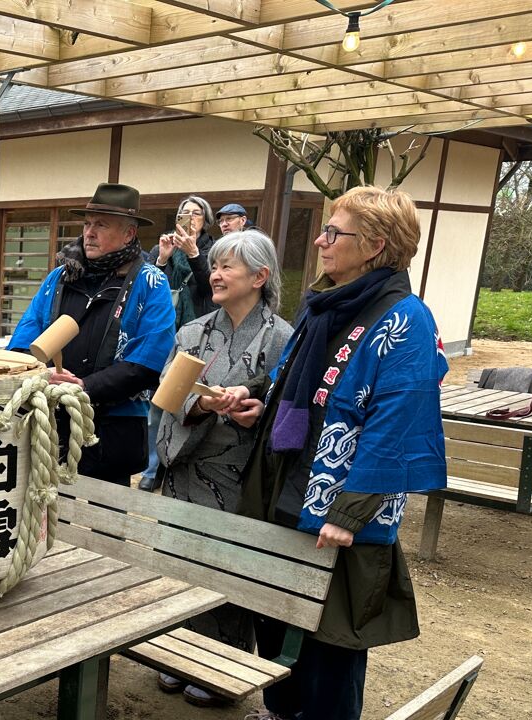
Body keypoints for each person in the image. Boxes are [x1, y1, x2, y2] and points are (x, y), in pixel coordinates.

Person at [224, 186, 447, 720]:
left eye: (334, 232)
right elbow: (299, 387)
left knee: (331, 638)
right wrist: (257, 399)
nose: (321, 241)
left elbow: (398, 425)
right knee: (277, 614)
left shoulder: (405, 319)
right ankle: (280, 711)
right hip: (284, 486)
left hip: (339, 510)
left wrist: (348, 513)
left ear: (373, 245)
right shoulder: (323, 305)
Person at [152, 230, 293, 707]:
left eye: (228, 266)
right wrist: (199, 406)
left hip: (240, 474)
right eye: (214, 265)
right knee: (180, 563)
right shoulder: (192, 333)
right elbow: (167, 401)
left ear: (260, 276)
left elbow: (284, 406)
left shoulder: (283, 339)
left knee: (226, 567)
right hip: (188, 469)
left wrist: (255, 409)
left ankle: (222, 666)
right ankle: (176, 654)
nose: (215, 273)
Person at [7, 183, 175, 486]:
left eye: (101, 224)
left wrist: (84, 385)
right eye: (87, 223)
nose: (89, 232)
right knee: (43, 515)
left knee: (105, 528)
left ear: (129, 234)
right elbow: (23, 340)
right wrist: (41, 374)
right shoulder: (60, 276)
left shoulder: (151, 281)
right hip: (50, 419)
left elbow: (148, 363)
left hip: (112, 431)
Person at [141, 194, 217, 492]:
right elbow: (148, 286)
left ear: (205, 220)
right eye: (184, 213)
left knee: (189, 401)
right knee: (158, 402)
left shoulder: (212, 249)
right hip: (164, 333)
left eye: (196, 213)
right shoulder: (164, 248)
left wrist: (195, 254)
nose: (190, 218)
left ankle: (177, 461)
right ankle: (152, 467)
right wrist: (161, 258)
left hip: (199, 335)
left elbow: (211, 289)